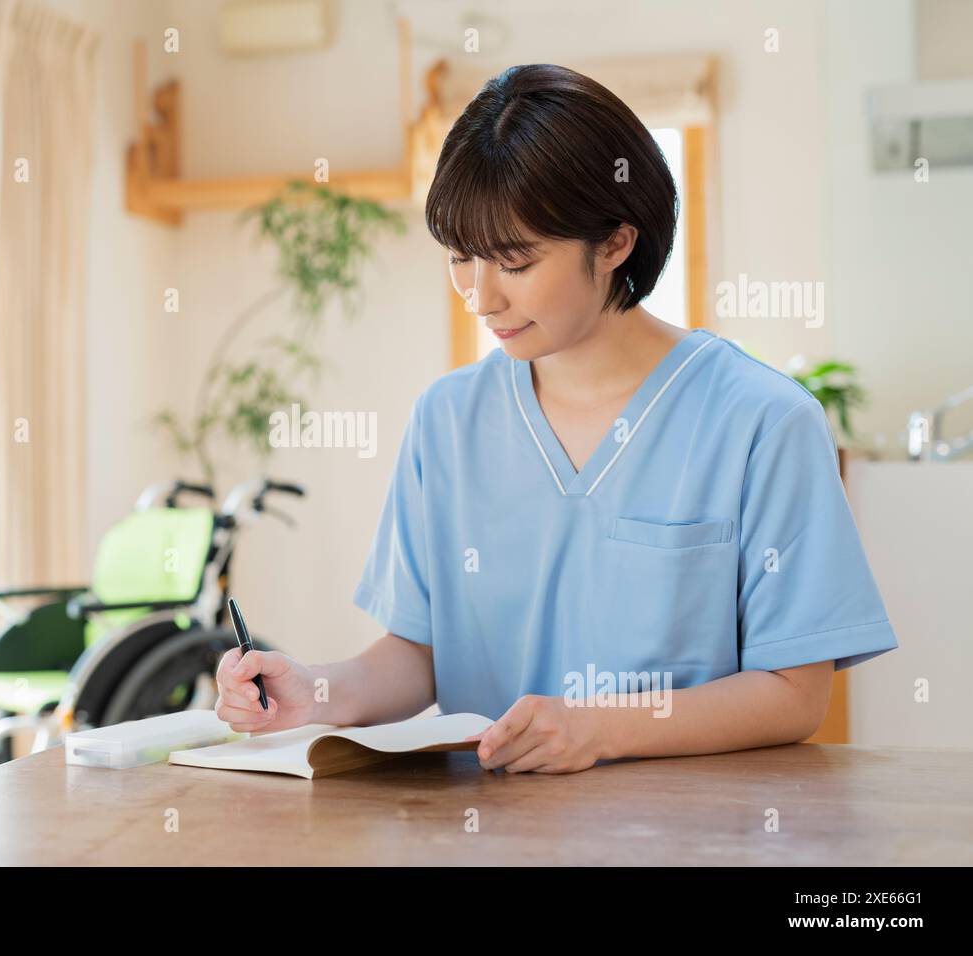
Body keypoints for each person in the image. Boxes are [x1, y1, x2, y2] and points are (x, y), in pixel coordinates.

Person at [214, 64, 898, 774]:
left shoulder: (764, 422)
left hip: (694, 837)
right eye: (460, 258)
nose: (480, 298)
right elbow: (419, 656)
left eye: (514, 261)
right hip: (486, 835)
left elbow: (794, 695)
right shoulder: (447, 421)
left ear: (614, 243)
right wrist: (315, 692)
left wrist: (600, 728)